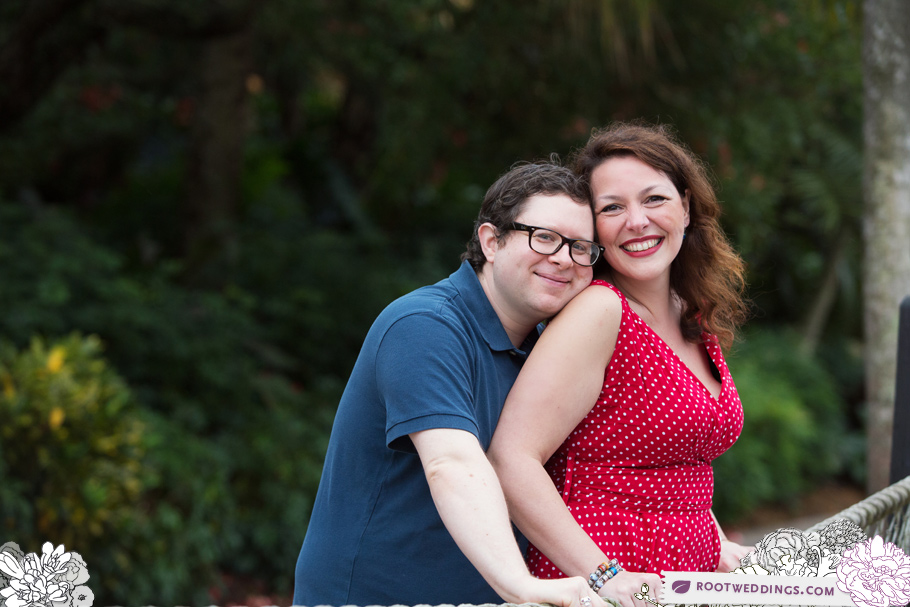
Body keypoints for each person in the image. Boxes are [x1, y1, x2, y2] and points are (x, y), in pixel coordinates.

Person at [293, 161, 607, 607]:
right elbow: (452, 463)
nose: (563, 258)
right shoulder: (424, 326)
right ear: (491, 241)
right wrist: (521, 586)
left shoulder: (550, 349)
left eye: (581, 248)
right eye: (545, 237)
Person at [488, 122, 753, 607]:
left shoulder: (690, 311)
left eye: (654, 199)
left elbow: (678, 467)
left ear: (687, 208)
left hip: (682, 584)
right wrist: (602, 576)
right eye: (612, 208)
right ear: (594, 231)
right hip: (613, 586)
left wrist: (718, 546)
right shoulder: (601, 311)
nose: (636, 221)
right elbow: (511, 459)